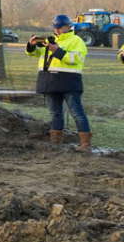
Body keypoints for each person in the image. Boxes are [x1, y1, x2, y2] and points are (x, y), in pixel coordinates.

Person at [27, 14, 91, 152]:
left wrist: (57, 50)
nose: (56, 31)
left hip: (69, 82)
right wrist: (31, 46)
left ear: (68, 27)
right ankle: (55, 143)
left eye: (59, 28)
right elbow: (36, 54)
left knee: (76, 113)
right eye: (55, 28)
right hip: (50, 82)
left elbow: (75, 59)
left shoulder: (77, 41)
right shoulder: (50, 41)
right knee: (55, 113)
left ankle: (85, 144)